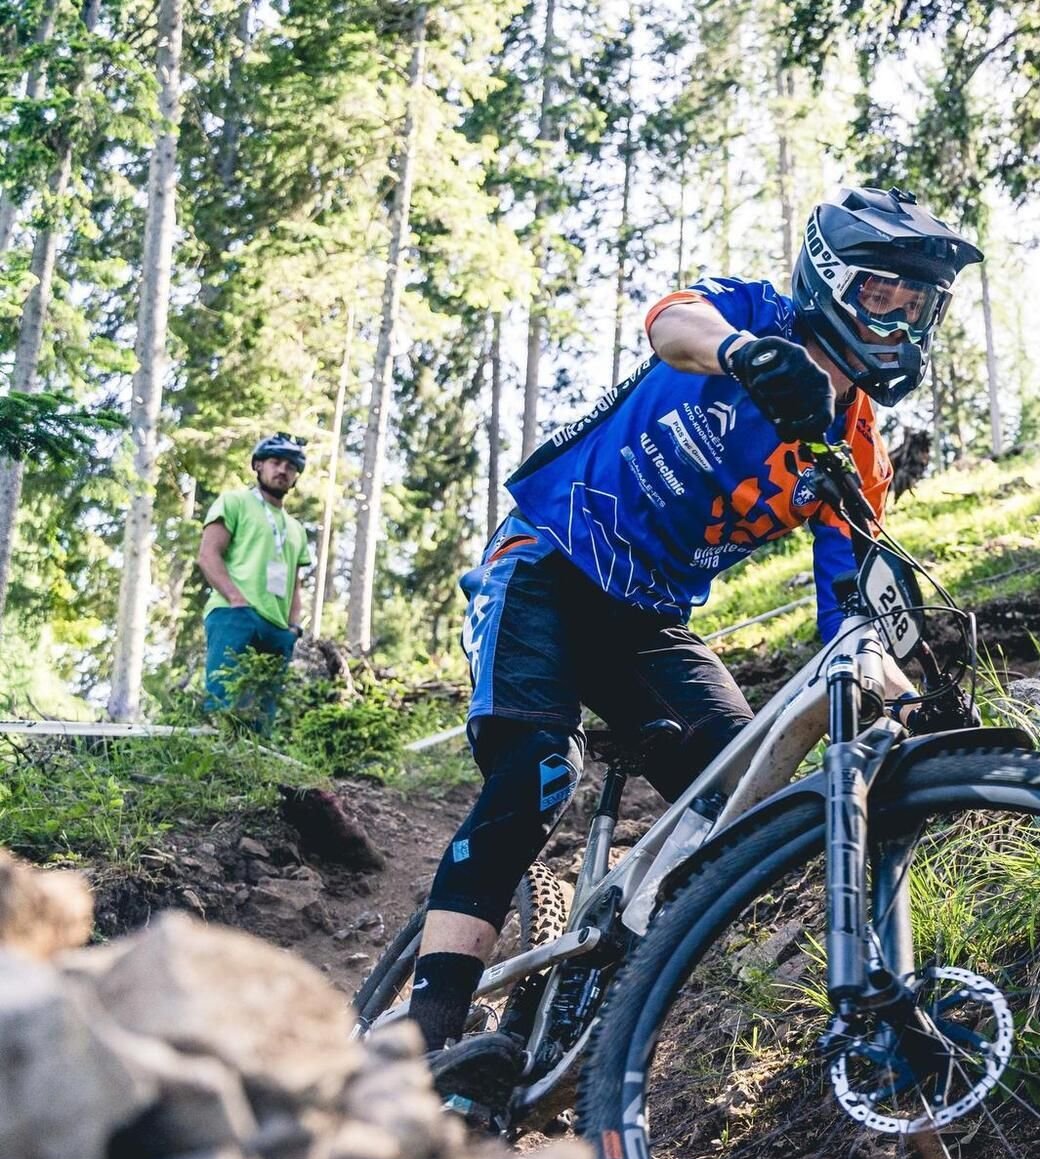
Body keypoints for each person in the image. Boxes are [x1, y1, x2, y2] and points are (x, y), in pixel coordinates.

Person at [415, 186, 983, 1105]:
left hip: (646, 622)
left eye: (918, 305)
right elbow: (672, 324)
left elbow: (851, 608)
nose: (901, 317)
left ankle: (568, 1011)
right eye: (883, 294)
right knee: (532, 776)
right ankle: (418, 1040)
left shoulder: (855, 447)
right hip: (548, 560)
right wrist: (745, 355)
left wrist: (904, 694)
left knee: (739, 803)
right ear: (832, 280)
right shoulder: (752, 312)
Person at [197, 433, 313, 724]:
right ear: (258, 465)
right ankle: (210, 767)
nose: (282, 470)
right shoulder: (234, 502)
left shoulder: (296, 529)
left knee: (262, 717)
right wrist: (236, 599)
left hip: (277, 628)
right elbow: (209, 554)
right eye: (275, 462)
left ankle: (252, 770)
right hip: (234, 615)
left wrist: (293, 627)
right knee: (222, 704)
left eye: (290, 466)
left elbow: (294, 584)